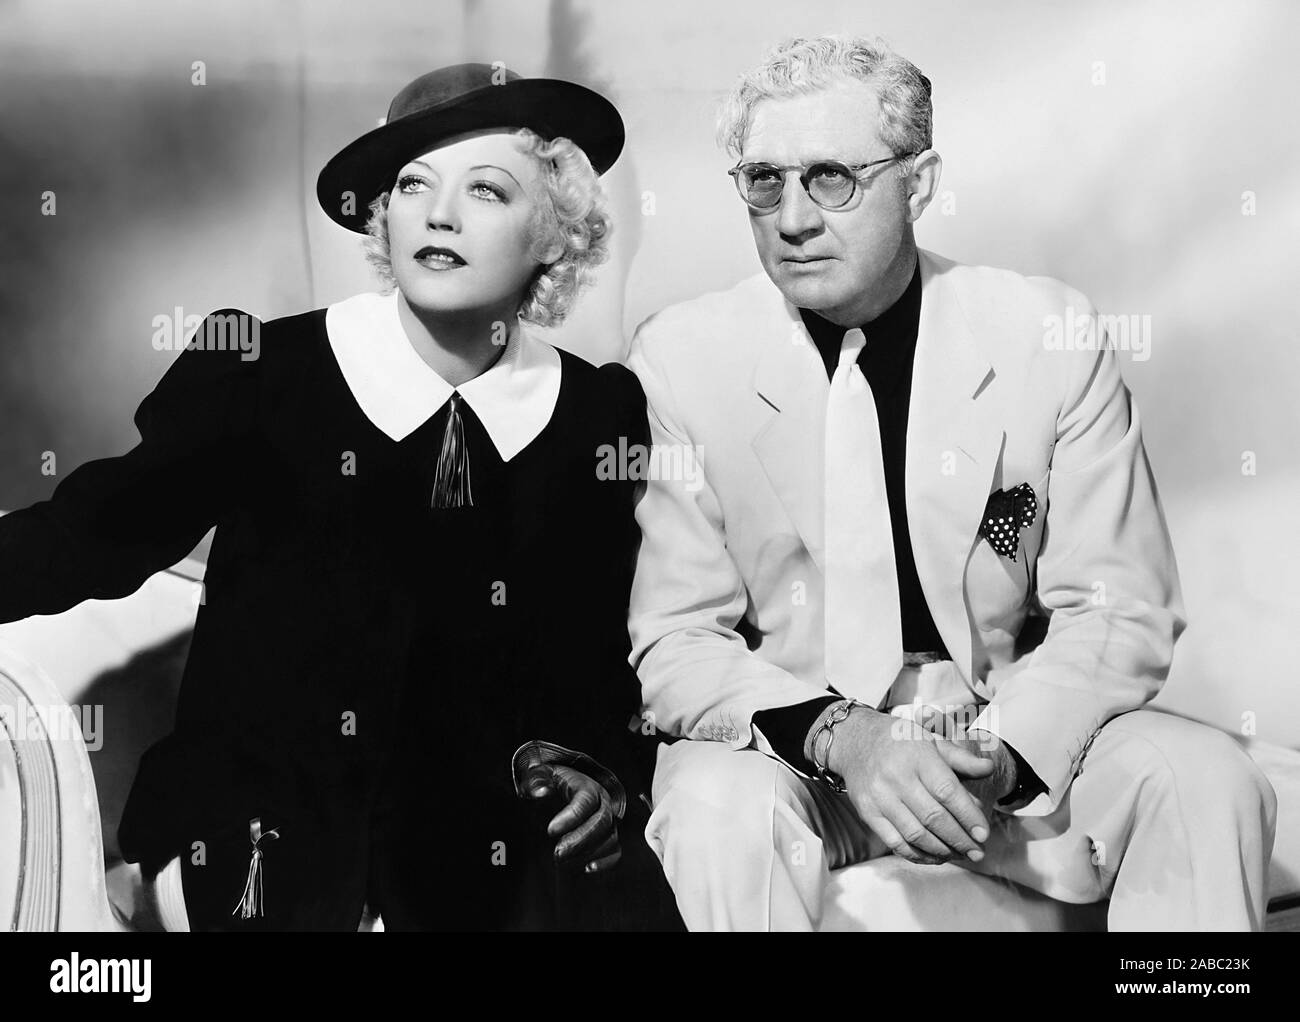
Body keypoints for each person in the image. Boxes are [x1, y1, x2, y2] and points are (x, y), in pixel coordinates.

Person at [626, 35, 1278, 931]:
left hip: (1001, 728)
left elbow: (1121, 605)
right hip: (799, 749)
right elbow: (675, 643)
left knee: (1206, 779)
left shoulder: (1045, 331)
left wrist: (1004, 752)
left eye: (831, 178)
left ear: (920, 184)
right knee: (710, 812)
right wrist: (842, 736)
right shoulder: (681, 357)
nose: (793, 218)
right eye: (763, 180)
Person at [0, 63, 665, 931]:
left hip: (484, 840)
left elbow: (592, 653)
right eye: (412, 186)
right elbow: (99, 532)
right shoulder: (263, 372)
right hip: (263, 827)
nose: (439, 213)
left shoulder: (593, 416)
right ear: (382, 220)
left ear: (553, 235)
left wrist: (598, 774)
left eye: (487, 191)